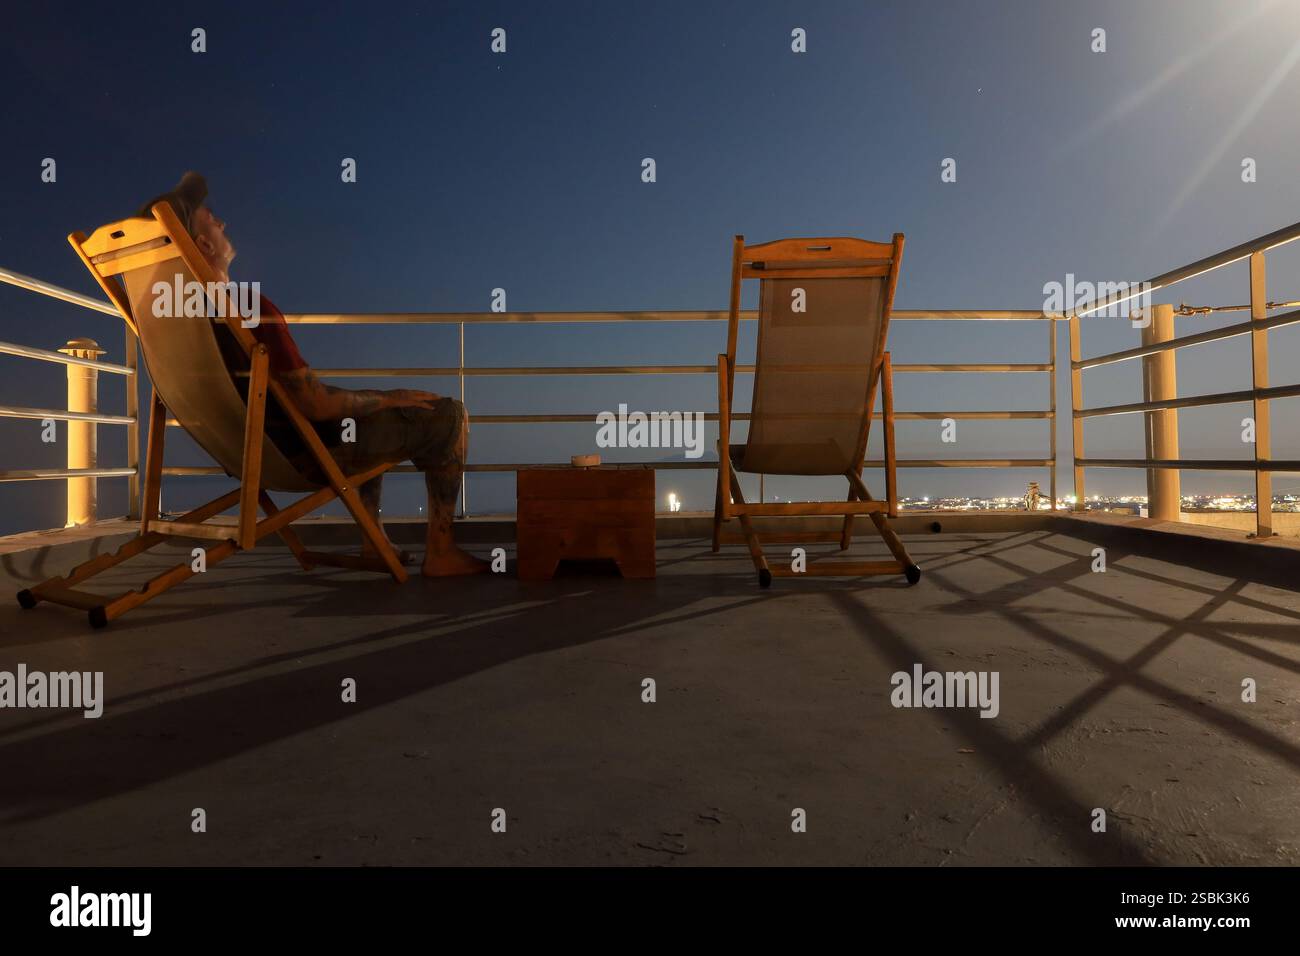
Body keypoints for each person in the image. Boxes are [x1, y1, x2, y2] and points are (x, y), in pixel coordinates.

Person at [138, 172, 488, 576]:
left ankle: (374, 543)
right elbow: (314, 404)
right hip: (300, 455)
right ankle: (442, 552)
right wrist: (391, 397)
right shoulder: (249, 307)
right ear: (202, 244)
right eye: (212, 219)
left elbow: (296, 398)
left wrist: (376, 400)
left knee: (359, 417)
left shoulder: (179, 317)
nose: (223, 223)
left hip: (239, 447)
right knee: (448, 415)